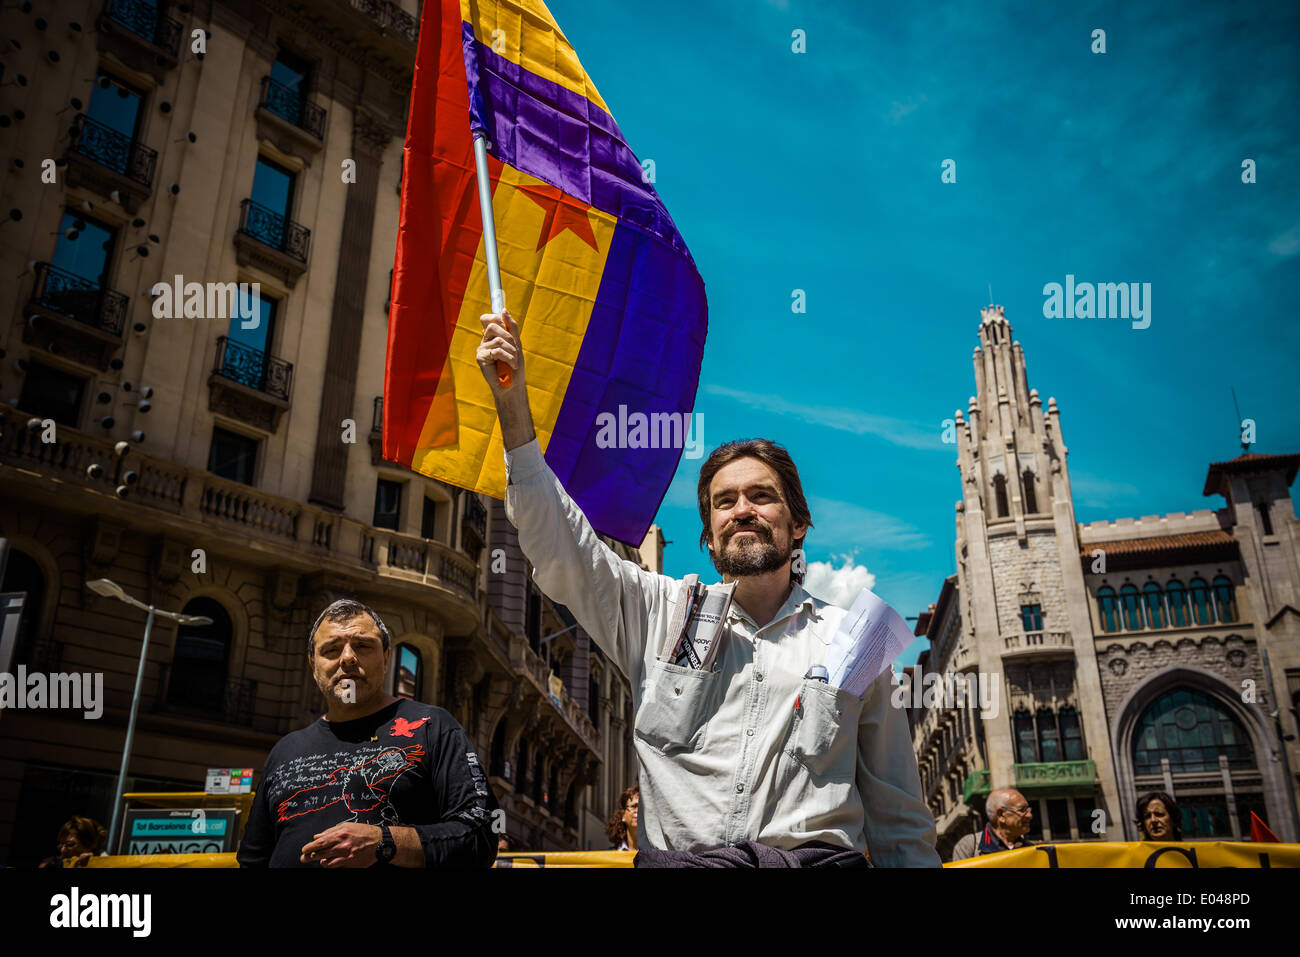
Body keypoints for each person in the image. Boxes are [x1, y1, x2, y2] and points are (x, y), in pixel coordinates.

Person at [477, 310, 940, 868]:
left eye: (761, 496)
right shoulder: (659, 611)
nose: (742, 510)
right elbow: (559, 545)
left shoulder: (853, 639)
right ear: (709, 537)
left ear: (799, 524)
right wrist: (513, 408)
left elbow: (897, 812)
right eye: (724, 502)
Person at [236, 598, 499, 868]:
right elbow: (252, 859)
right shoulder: (284, 750)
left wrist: (384, 842)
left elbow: (481, 833)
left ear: (386, 658)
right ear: (313, 666)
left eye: (363, 646)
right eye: (331, 649)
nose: (348, 658)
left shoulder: (433, 726)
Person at [951, 788, 1036, 860]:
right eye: (1022, 810)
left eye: (1028, 810)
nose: (1029, 815)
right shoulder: (969, 847)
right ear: (1001, 814)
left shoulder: (1032, 849)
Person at [38, 816, 107, 868]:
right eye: (61, 845)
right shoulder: (56, 862)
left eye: (70, 845)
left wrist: (93, 863)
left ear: (89, 845)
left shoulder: (105, 861)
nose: (63, 850)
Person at [605, 785, 639, 852]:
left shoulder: (658, 856)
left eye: (642, 808)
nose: (638, 811)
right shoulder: (609, 855)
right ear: (623, 815)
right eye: (634, 806)